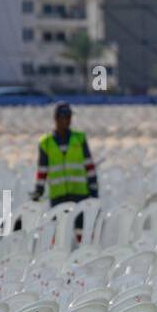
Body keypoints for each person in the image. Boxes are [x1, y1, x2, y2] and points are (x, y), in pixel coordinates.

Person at [31, 101, 98, 235]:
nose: (68, 120)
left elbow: (89, 165)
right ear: (56, 119)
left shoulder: (79, 139)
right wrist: (39, 190)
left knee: (81, 230)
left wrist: (93, 190)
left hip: (80, 192)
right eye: (65, 117)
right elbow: (42, 170)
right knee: (60, 231)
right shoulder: (46, 143)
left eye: (69, 117)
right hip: (58, 194)